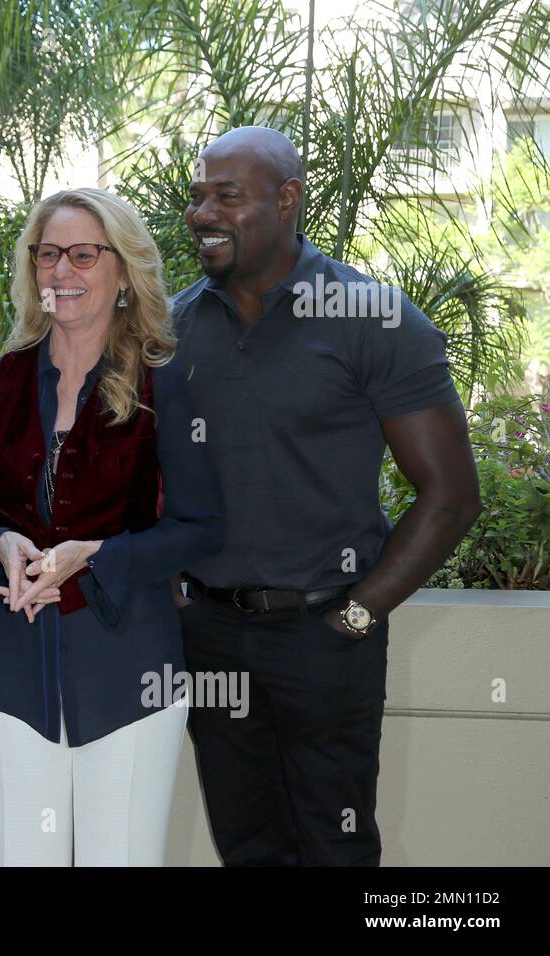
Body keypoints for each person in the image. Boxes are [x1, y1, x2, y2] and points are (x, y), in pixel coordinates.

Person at [173, 126, 482, 866]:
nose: (201, 212)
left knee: (334, 847)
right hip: (209, 638)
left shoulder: (373, 319)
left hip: (325, 635)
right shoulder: (174, 323)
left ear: (287, 200)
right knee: (247, 844)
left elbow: (451, 494)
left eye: (226, 195)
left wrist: (357, 611)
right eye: (196, 196)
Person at [0, 187, 225, 866]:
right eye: (47, 256)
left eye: (82, 255)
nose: (61, 273)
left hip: (129, 671)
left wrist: (96, 555)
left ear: (122, 272)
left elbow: (201, 528)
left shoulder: (167, 385)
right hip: (11, 674)